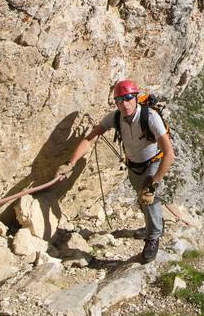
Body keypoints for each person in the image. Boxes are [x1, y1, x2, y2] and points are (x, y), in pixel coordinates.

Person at [54, 79, 173, 263]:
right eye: (119, 100)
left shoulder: (150, 117)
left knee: (148, 195)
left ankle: (153, 238)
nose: (124, 104)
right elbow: (89, 139)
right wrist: (70, 163)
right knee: (142, 198)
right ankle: (154, 224)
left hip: (153, 162)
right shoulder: (115, 118)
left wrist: (154, 182)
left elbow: (169, 154)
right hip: (134, 165)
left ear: (135, 98)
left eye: (128, 98)